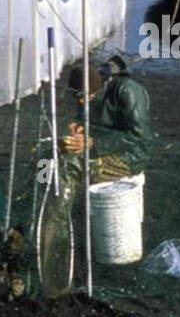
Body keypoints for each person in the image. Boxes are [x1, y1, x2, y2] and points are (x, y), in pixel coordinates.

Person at [48, 56, 155, 234]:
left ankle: (57, 223)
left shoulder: (127, 91)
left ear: (98, 89)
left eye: (83, 96)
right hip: (98, 148)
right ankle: (44, 196)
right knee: (47, 157)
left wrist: (92, 142)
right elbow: (85, 120)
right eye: (76, 96)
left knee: (68, 166)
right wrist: (78, 128)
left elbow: (140, 137)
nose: (80, 101)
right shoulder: (87, 90)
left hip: (128, 156)